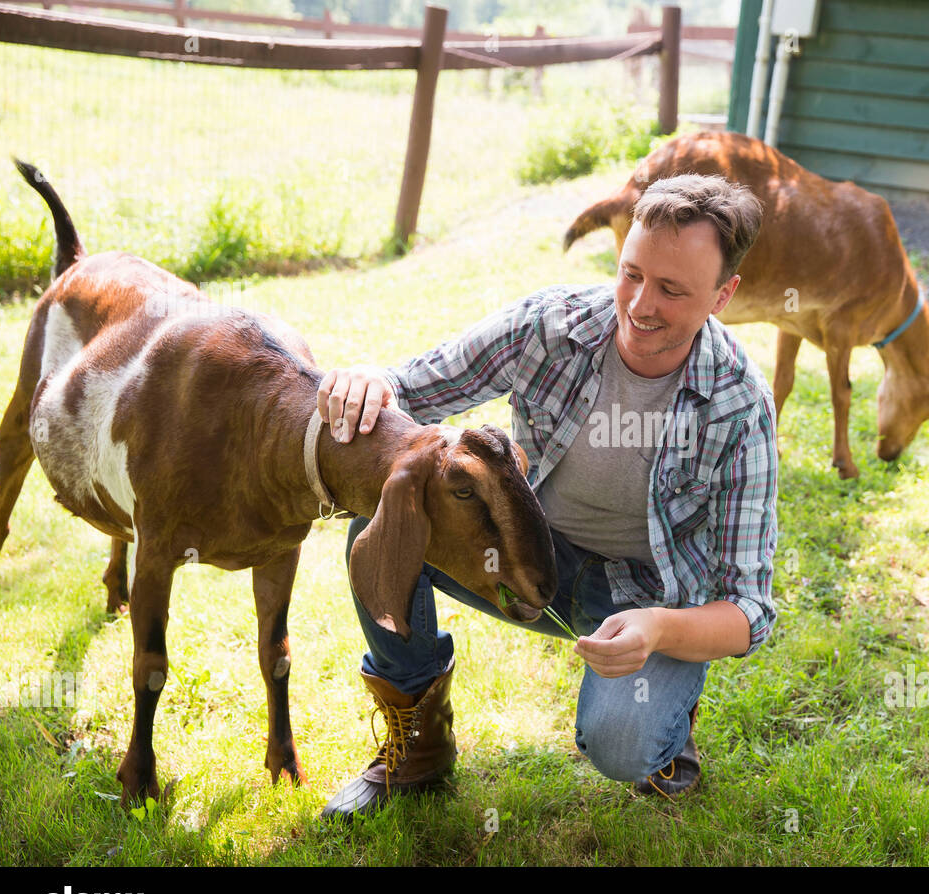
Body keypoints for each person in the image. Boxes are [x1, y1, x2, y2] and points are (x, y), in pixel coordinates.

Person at [316, 174, 778, 819]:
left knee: (624, 746)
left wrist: (660, 628)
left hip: (648, 594)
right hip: (529, 551)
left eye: (673, 290)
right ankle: (419, 741)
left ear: (723, 295)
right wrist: (371, 380)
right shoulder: (550, 325)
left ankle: (666, 725)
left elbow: (750, 607)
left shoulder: (738, 405)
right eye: (632, 274)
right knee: (386, 519)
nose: (641, 306)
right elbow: (414, 385)